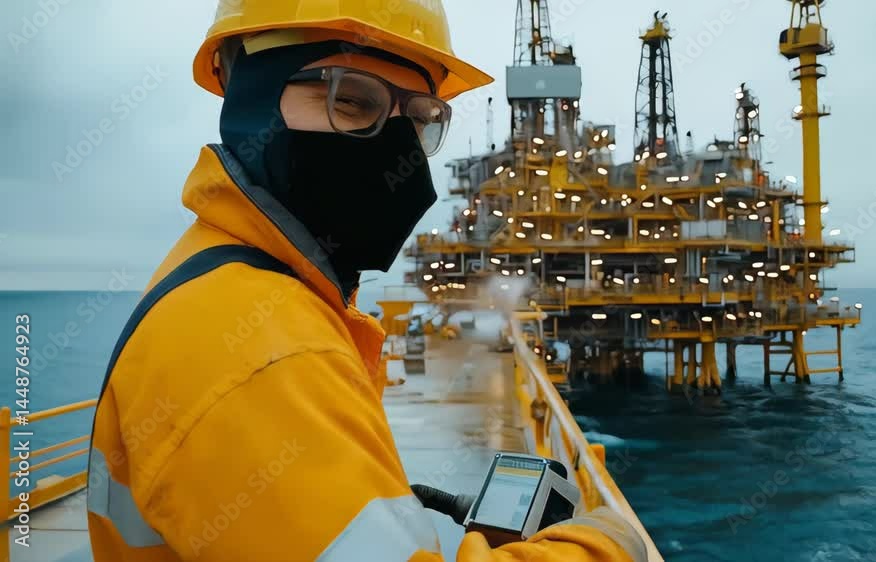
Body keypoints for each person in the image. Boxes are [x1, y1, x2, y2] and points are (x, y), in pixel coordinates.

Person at [86, 1, 647, 561]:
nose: (397, 147)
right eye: (350, 100)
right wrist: (605, 550)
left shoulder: (241, 280)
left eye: (421, 121)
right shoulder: (261, 353)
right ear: (252, 97)